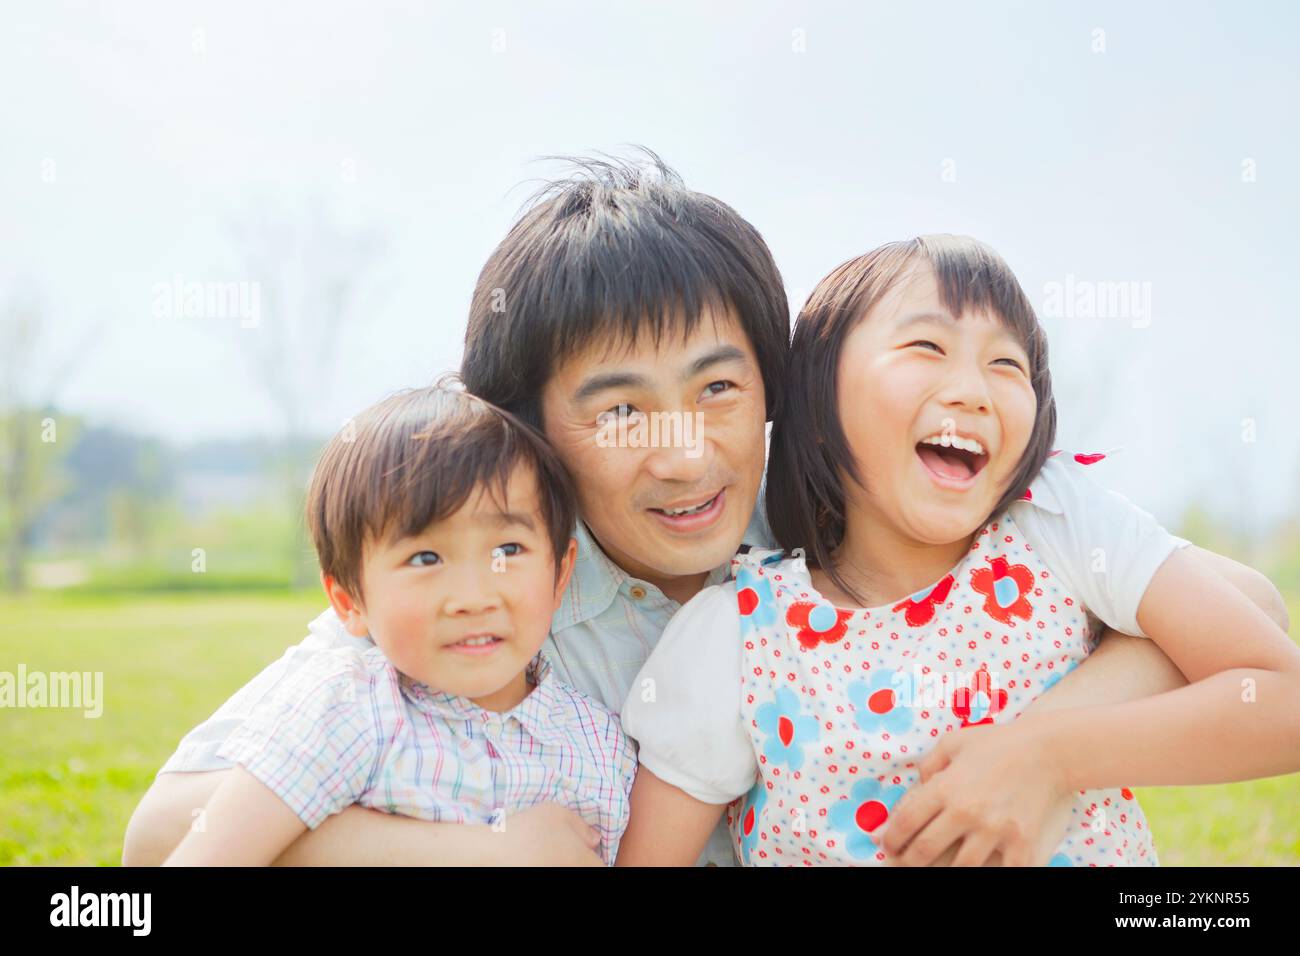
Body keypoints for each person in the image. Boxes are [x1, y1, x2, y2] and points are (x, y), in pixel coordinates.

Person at [123, 152, 1289, 867]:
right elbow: (161, 836)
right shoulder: (479, 600)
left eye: (720, 388)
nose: (685, 452)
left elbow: (1237, 618)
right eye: (619, 410)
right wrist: (480, 855)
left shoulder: (840, 523)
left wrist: (1035, 752)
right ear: (527, 429)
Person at [616, 235, 1300, 866]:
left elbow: (1280, 698)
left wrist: (1052, 756)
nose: (973, 391)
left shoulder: (1054, 525)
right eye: (926, 347)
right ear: (818, 404)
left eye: (1008, 364)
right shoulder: (739, 630)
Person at [165, 384, 636, 866]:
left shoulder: (599, 744)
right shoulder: (342, 712)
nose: (472, 598)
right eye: (425, 557)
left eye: (507, 550)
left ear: (560, 573)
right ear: (349, 602)